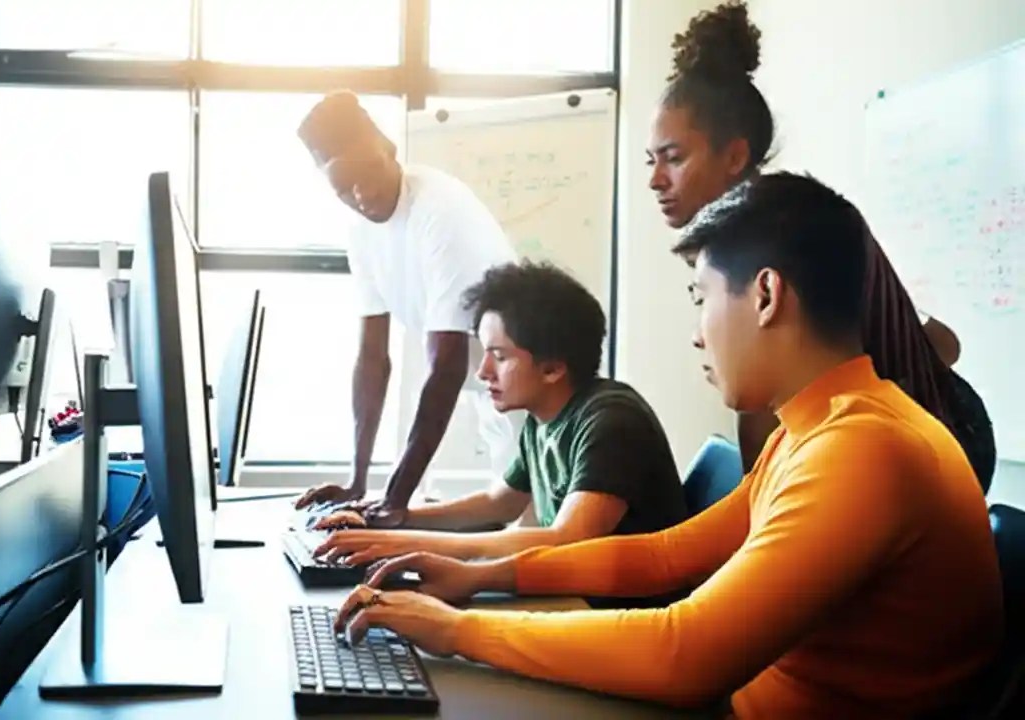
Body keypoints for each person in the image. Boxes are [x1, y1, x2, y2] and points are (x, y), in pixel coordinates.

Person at [332, 173, 1003, 718]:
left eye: (700, 297)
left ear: (765, 295)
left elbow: (684, 654)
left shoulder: (864, 448)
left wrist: (454, 631)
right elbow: (666, 556)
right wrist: (483, 578)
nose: (698, 332)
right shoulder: (819, 429)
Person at [645, 0, 997, 491]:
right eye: (650, 163)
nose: (656, 181)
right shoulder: (752, 236)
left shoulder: (793, 231)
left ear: (735, 155)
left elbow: (941, 347)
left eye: (673, 158)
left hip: (940, 443)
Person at [312, 261, 687, 566]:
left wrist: (400, 544)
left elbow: (565, 541)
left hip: (622, 619)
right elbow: (500, 502)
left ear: (553, 368)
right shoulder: (543, 417)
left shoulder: (609, 423)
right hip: (577, 602)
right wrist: (392, 519)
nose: (482, 372)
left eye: (501, 356)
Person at [290, 91, 520, 527]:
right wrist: (357, 482)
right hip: (492, 397)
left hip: (538, 404)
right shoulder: (361, 231)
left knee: (530, 555)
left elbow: (447, 366)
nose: (362, 194)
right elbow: (372, 359)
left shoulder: (440, 211)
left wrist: (395, 499)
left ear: (389, 150)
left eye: (369, 172)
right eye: (343, 187)